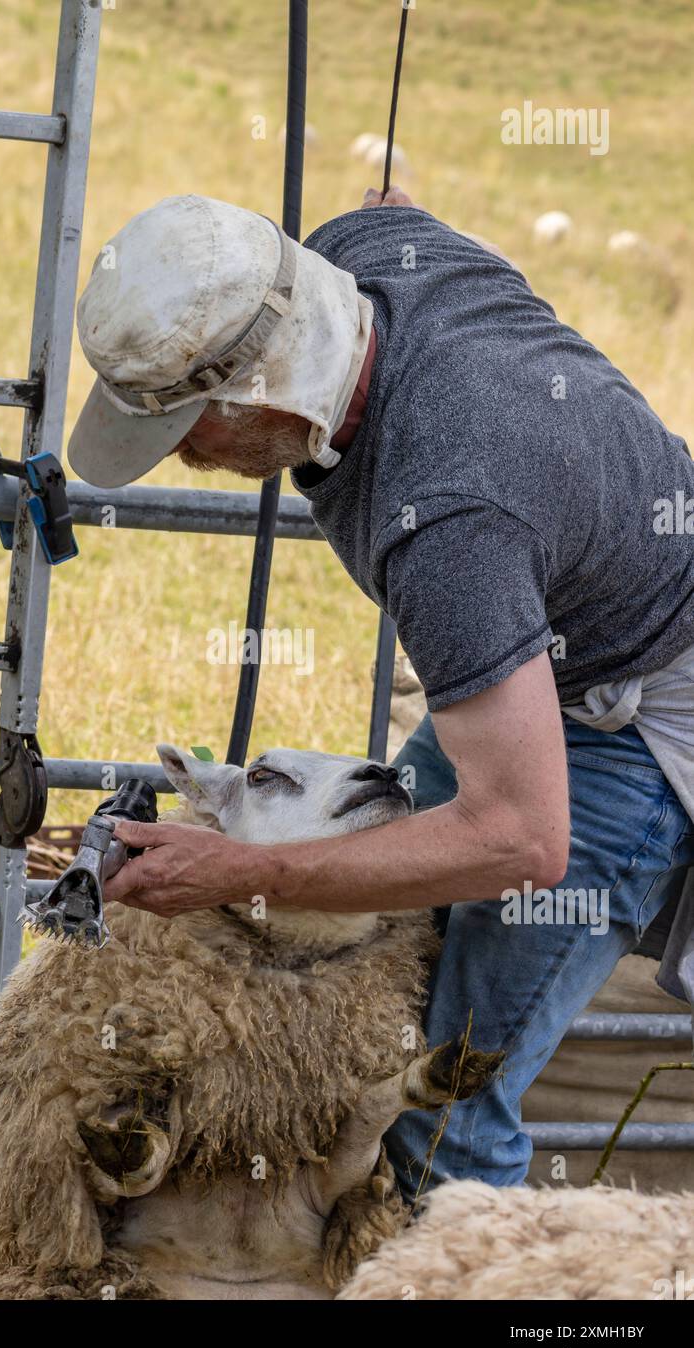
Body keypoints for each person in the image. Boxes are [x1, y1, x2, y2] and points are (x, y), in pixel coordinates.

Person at [66, 188, 694, 1197]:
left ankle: (476, 1276)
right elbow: (389, 201)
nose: (184, 456)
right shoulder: (359, 257)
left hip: (634, 704)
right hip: (539, 641)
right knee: (386, 994)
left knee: (441, 1092)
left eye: (188, 427)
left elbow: (521, 839)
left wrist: (237, 872)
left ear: (259, 395)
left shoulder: (447, 521)